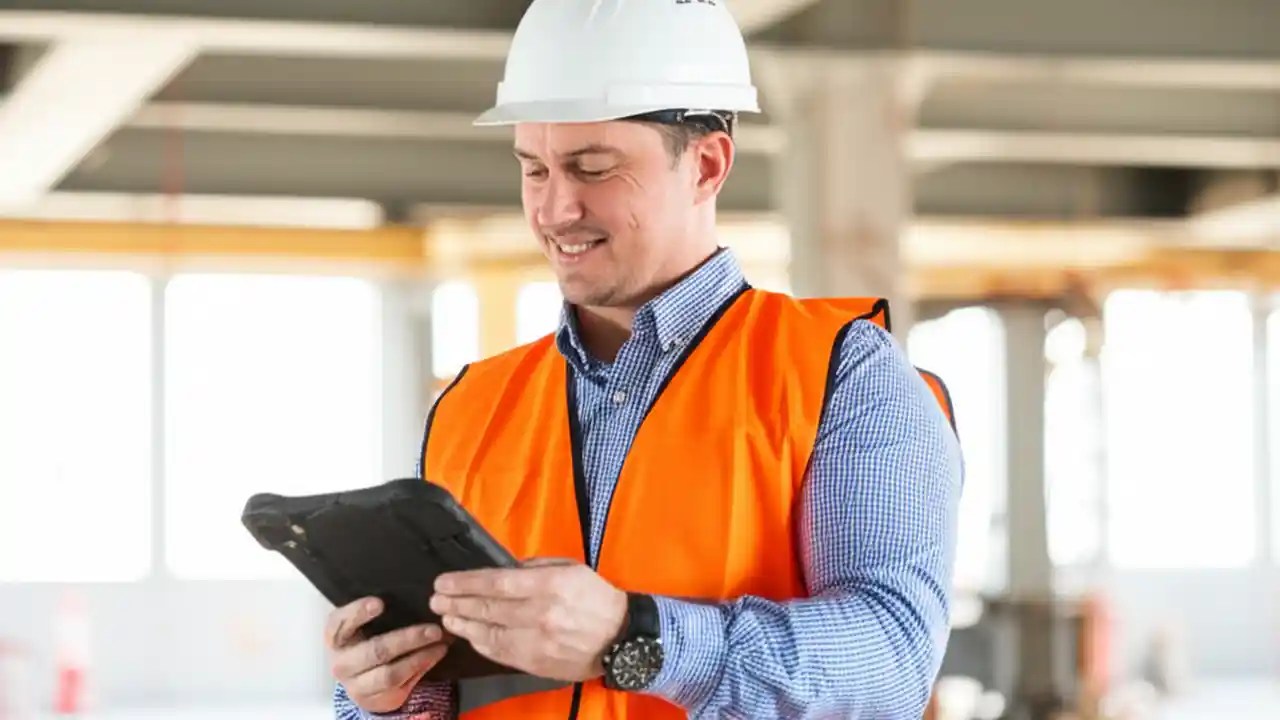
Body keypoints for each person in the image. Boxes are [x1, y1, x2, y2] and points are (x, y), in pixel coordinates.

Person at [329, 0, 963, 718]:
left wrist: (636, 637)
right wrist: (385, 694)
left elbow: (890, 663)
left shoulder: (842, 377)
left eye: (593, 168)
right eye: (534, 170)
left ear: (708, 164)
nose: (555, 209)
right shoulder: (470, 409)